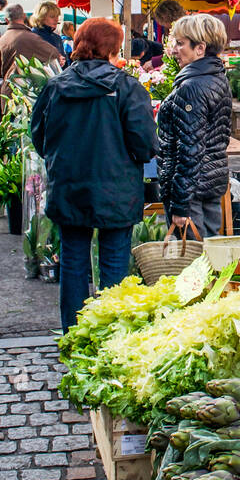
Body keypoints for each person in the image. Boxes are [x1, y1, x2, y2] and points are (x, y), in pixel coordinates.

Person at [30, 18, 157, 334]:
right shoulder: (128, 87)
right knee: (114, 264)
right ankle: (108, 336)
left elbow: (39, 136)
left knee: (73, 264)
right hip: (116, 189)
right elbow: (145, 145)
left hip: (69, 186)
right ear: (113, 50)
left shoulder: (55, 86)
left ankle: (72, 335)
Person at [156, 14, 233, 240]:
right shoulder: (217, 77)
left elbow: (190, 149)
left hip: (192, 192)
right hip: (208, 183)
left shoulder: (192, 87)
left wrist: (180, 204)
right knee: (208, 254)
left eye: (180, 44)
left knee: (194, 260)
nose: (174, 49)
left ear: (200, 48)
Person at [0, 3, 64, 80]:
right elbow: (55, 55)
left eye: (57, 16)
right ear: (24, 16)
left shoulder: (1, 40)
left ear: (6, 20)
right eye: (52, 16)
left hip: (10, 86)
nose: (56, 19)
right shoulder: (32, 37)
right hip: (33, 86)